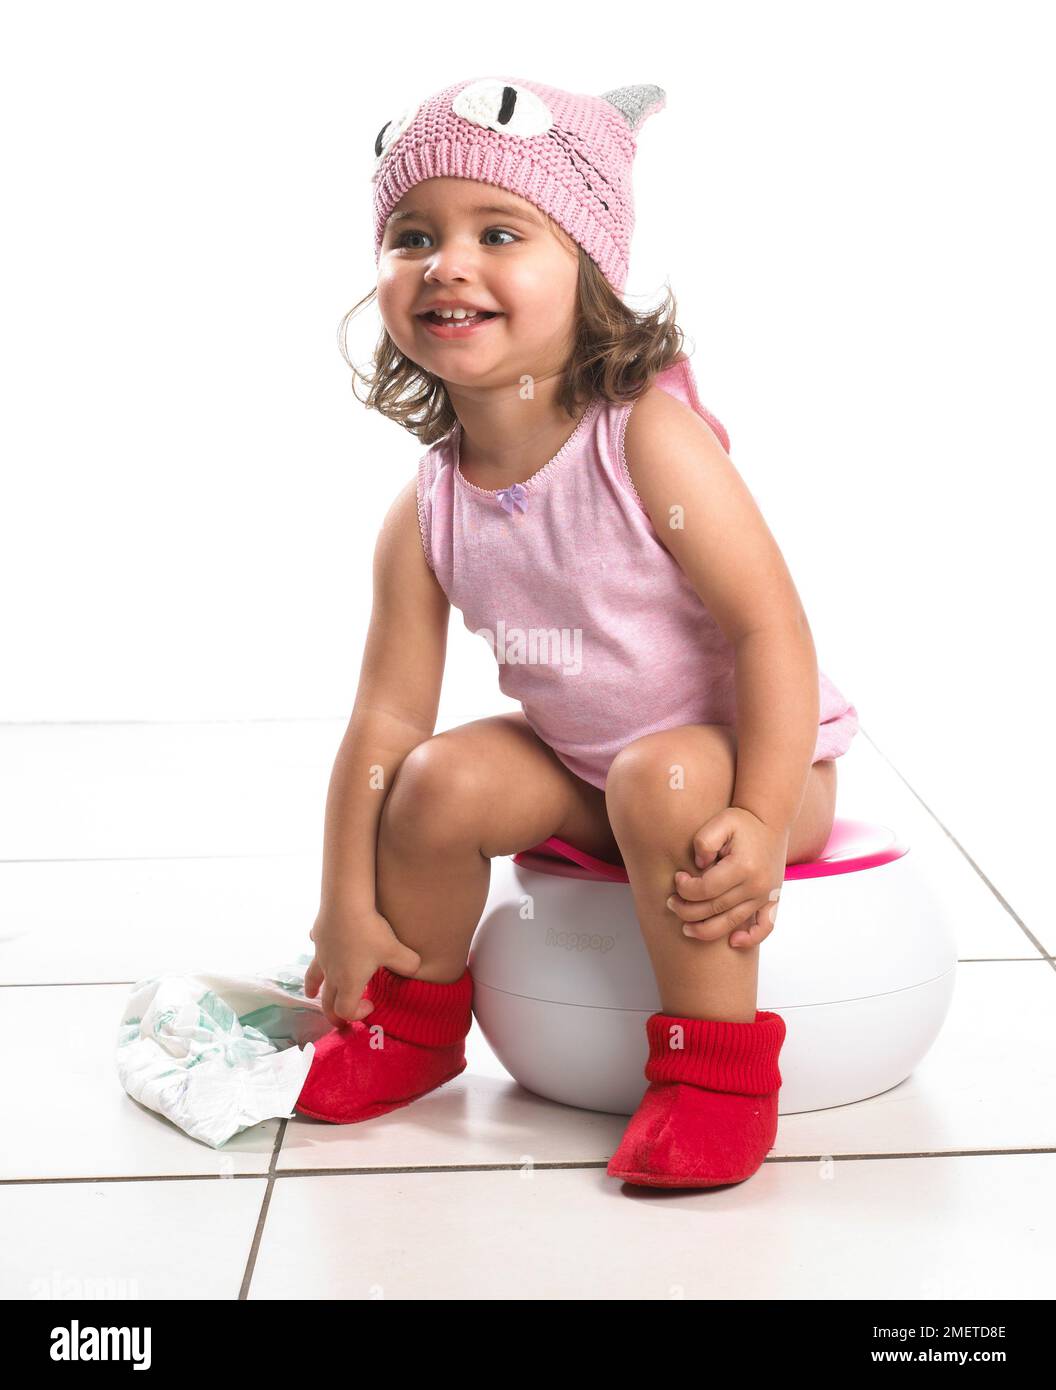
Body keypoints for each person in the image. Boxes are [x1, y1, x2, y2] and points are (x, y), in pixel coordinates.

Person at [296, 76, 859, 1189]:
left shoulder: (645, 436)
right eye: (413, 236)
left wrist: (755, 808)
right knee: (439, 780)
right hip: (587, 768)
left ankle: (717, 1074)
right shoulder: (430, 507)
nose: (445, 263)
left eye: (497, 231)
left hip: (752, 764)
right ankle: (407, 1022)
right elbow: (385, 718)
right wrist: (341, 905)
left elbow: (769, 632)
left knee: (662, 776)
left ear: (589, 268)